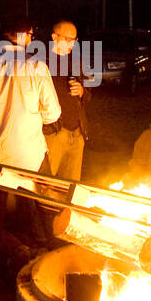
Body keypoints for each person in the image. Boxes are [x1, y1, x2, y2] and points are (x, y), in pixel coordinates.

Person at [0, 18, 61, 289]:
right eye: (31, 35)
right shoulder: (35, 66)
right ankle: (60, 265)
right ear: (24, 35)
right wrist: (36, 117)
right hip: (31, 154)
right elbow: (53, 112)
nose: (32, 40)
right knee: (47, 208)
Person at [43, 20, 90, 182]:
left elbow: (88, 95)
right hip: (54, 132)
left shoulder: (77, 62)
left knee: (71, 184)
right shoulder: (42, 63)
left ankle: (66, 208)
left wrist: (82, 91)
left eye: (74, 39)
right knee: (47, 182)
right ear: (54, 37)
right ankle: (45, 208)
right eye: (67, 39)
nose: (71, 43)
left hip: (76, 132)